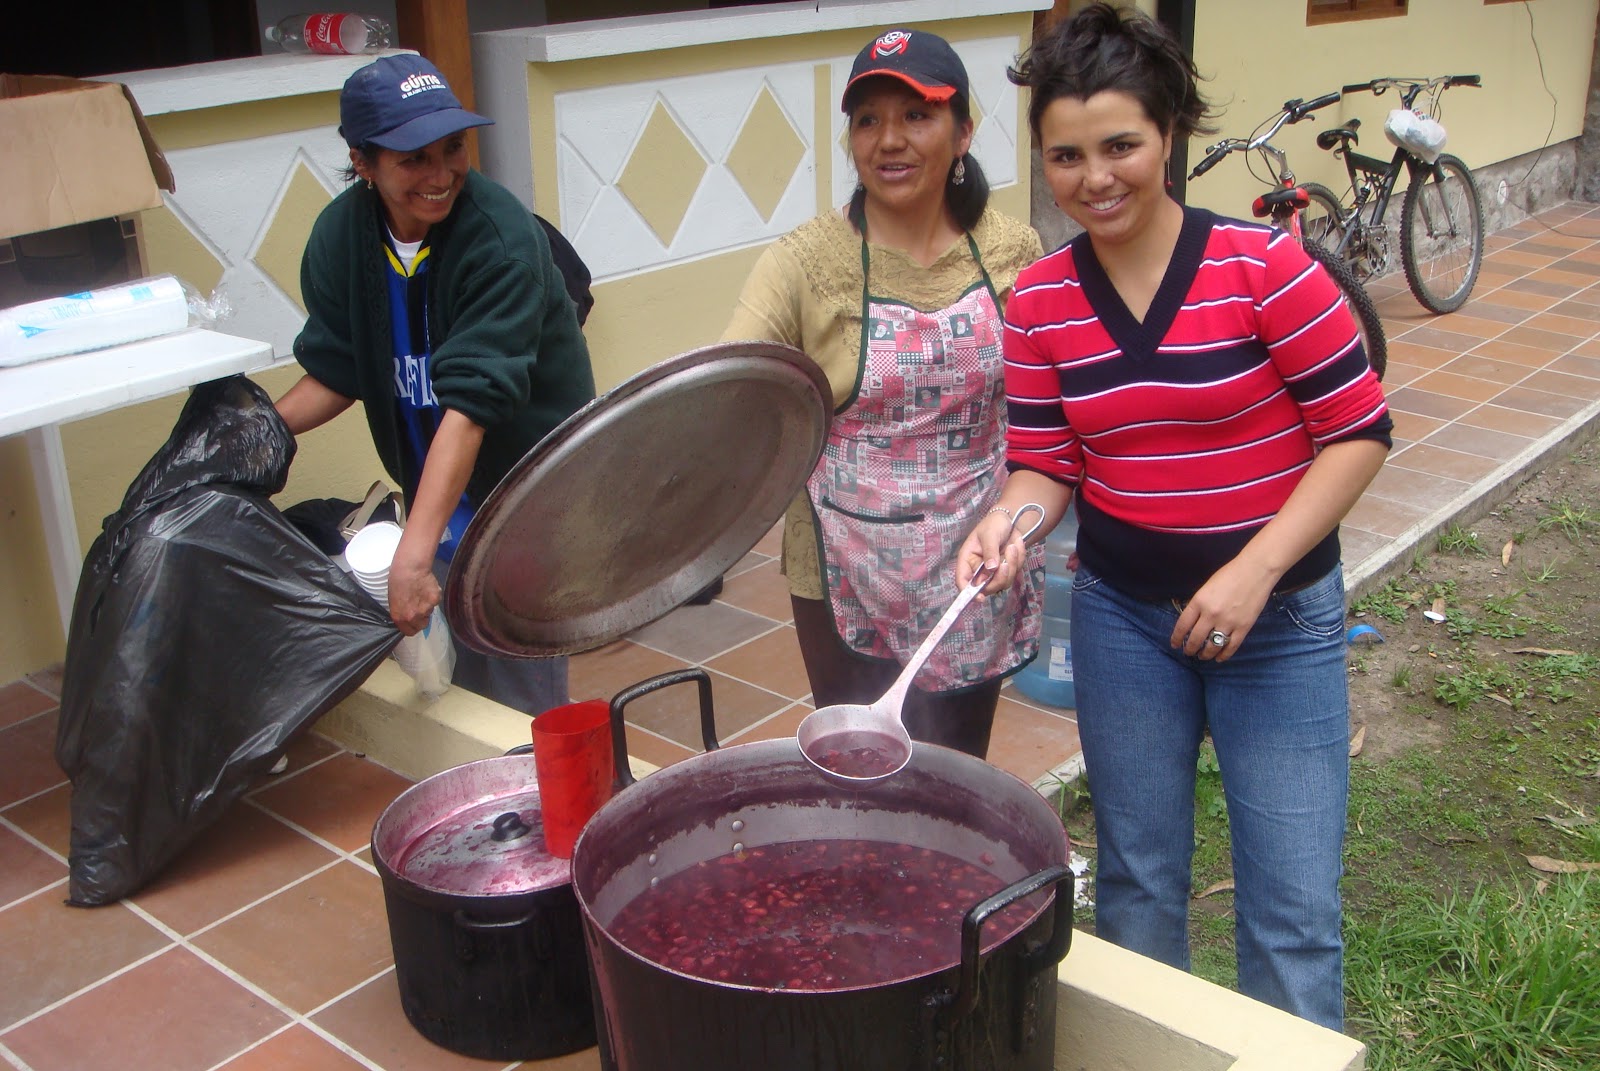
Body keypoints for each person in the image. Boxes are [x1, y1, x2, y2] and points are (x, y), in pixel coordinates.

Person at [958, 4, 1392, 1032]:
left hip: (1276, 624)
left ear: (1167, 137)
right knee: (1136, 884)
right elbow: (1047, 463)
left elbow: (1357, 431)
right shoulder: (1041, 302)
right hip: (1123, 621)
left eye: (1120, 145)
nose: (1093, 177)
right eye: (1065, 155)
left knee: (1290, 907)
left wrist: (1251, 571)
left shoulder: (1267, 269)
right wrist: (1005, 527)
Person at [722, 28, 1044, 759]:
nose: (888, 140)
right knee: (859, 770)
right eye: (867, 119)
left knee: (956, 772)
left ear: (964, 132)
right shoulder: (803, 263)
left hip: (976, 557)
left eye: (916, 116)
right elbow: (729, 382)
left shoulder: (1012, 250)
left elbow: (1048, 398)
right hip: (845, 566)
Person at [274, 54, 596, 717]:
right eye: (413, 158)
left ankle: (536, 796)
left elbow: (471, 408)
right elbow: (338, 367)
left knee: (517, 690)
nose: (442, 173)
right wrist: (259, 431)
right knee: (449, 676)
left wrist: (411, 556)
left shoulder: (499, 241)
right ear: (363, 163)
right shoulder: (341, 238)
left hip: (528, 494)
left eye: (453, 148)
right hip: (438, 487)